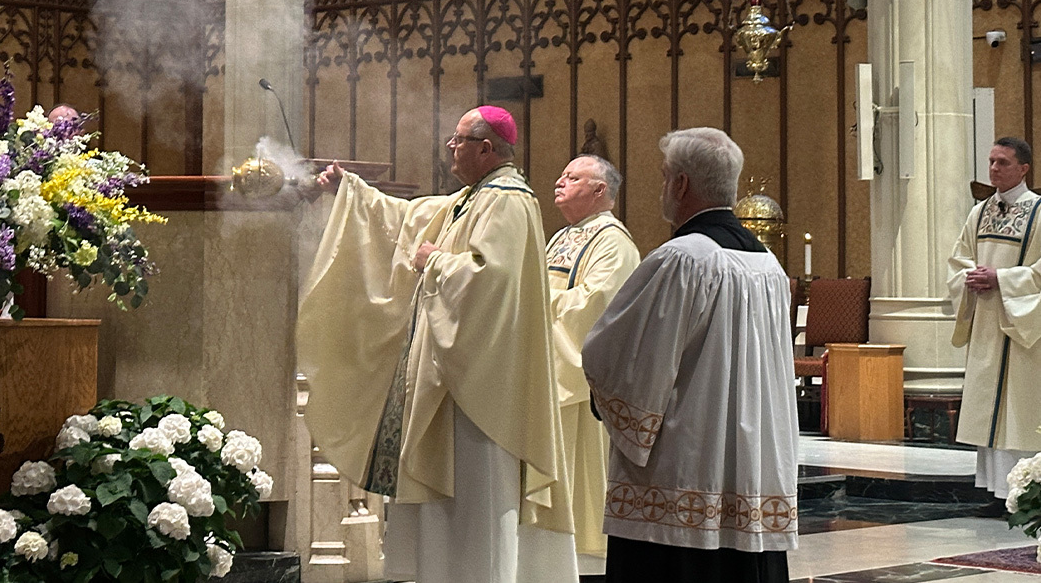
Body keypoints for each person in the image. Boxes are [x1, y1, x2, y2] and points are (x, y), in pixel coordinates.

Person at [297, 106, 578, 583]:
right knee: (448, 512)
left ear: (486, 148)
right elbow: (409, 216)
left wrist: (435, 262)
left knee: (476, 505)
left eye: (459, 140)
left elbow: (494, 278)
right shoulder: (473, 198)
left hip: (480, 393)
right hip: (450, 384)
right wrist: (351, 189)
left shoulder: (509, 200)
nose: (451, 147)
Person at [582, 127, 798, 583]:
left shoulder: (681, 258)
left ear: (680, 184)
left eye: (664, 177)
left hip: (684, 467)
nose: (662, 187)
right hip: (753, 465)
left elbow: (623, 356)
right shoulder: (769, 266)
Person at [546, 154, 640, 575]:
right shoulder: (563, 236)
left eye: (572, 177)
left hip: (581, 381)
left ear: (600, 190)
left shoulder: (613, 241)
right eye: (562, 175)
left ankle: (586, 562)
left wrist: (530, 302)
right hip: (549, 367)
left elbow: (597, 305)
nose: (559, 182)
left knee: (580, 474)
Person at [948, 136, 1041, 500]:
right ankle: (994, 488)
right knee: (989, 409)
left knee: (1018, 410)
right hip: (986, 319)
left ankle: (1024, 492)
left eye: (1002, 162)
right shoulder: (980, 212)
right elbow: (959, 260)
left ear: (1024, 168)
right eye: (991, 161)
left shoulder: (1038, 211)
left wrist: (1000, 279)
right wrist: (970, 277)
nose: (993, 168)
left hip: (1021, 325)